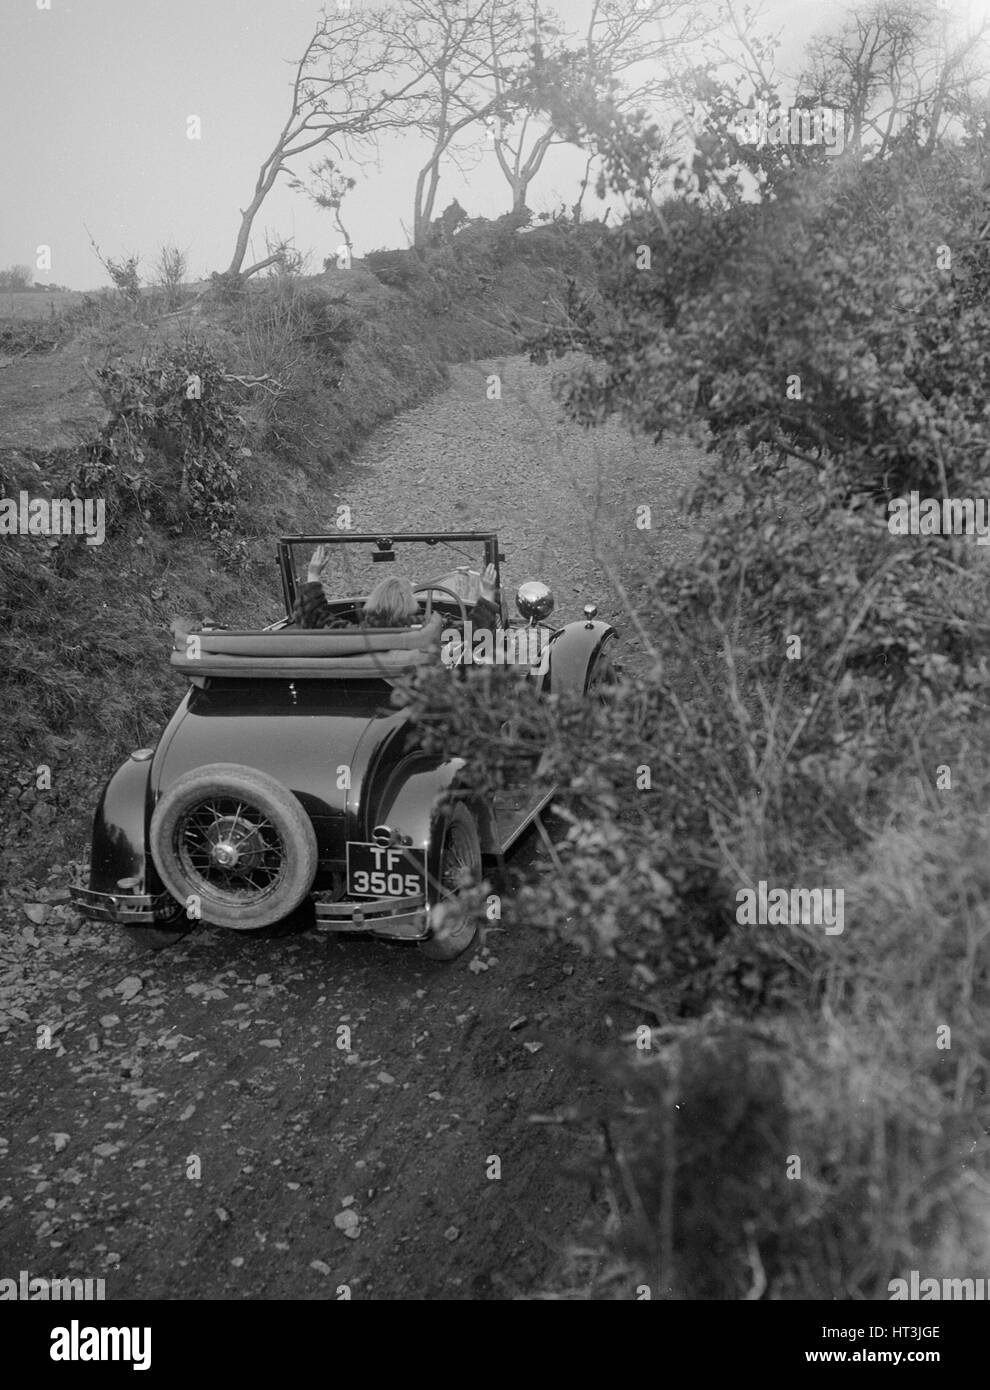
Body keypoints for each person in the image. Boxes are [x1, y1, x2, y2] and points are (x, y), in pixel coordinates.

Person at [293, 544, 500, 631]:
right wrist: (487, 593)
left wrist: (313, 575)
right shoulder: (431, 629)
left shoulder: (356, 633)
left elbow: (311, 618)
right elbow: (476, 632)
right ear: (409, 604)